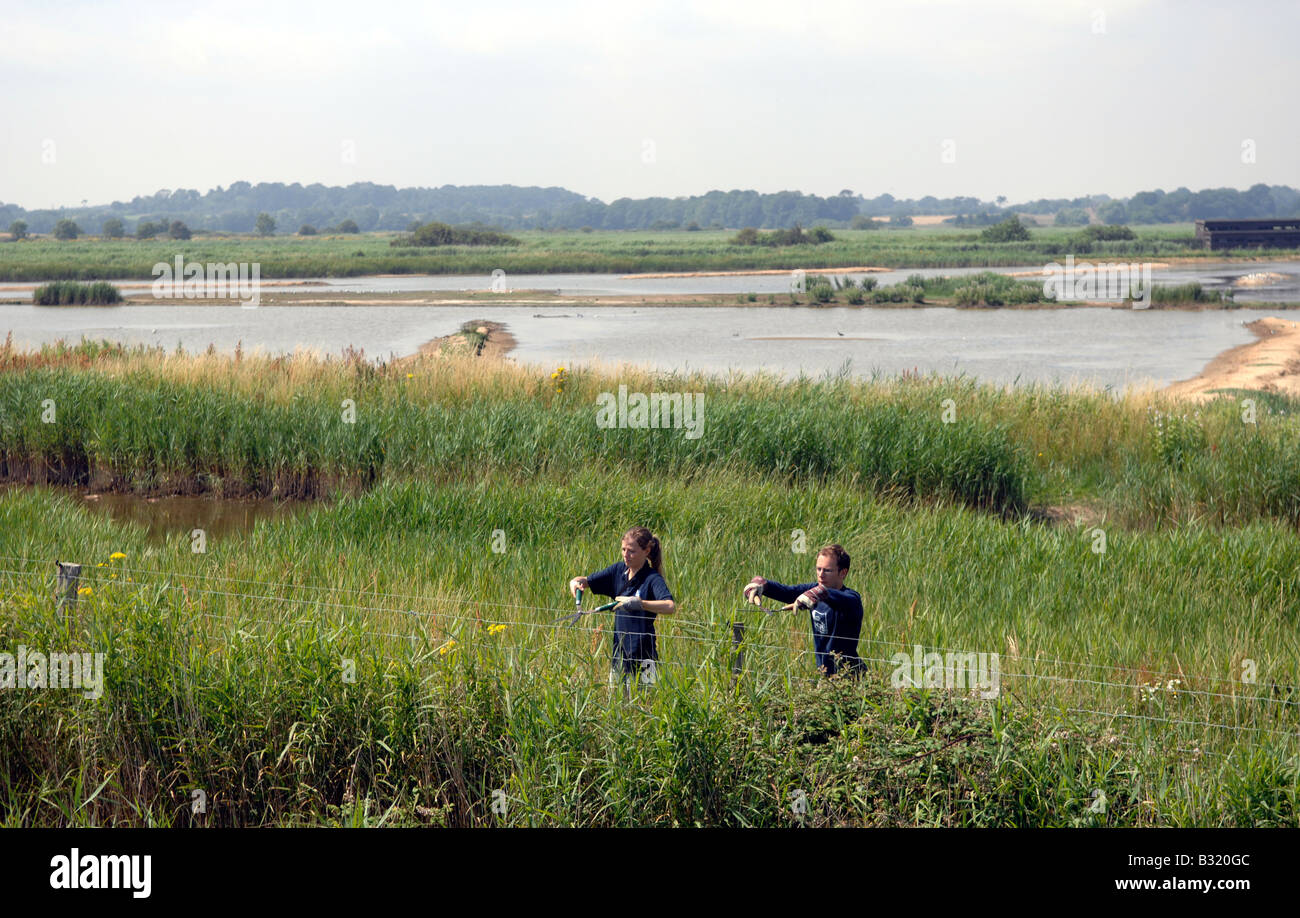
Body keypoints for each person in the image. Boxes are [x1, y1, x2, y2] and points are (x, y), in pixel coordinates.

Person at [569, 526, 676, 686]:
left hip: (644, 654)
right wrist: (575, 584)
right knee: (617, 701)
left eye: (631, 551)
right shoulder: (619, 570)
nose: (626, 555)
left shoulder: (652, 578)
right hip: (619, 654)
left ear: (646, 551)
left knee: (645, 701)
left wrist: (640, 603)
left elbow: (670, 606)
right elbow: (583, 580)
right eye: (623, 549)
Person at [743, 544, 864, 677]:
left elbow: (834, 596)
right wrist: (763, 585)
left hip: (850, 675)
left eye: (827, 571)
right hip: (825, 675)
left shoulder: (851, 598)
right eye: (818, 569)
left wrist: (817, 593)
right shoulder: (813, 589)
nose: (821, 575)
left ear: (843, 572)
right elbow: (787, 592)